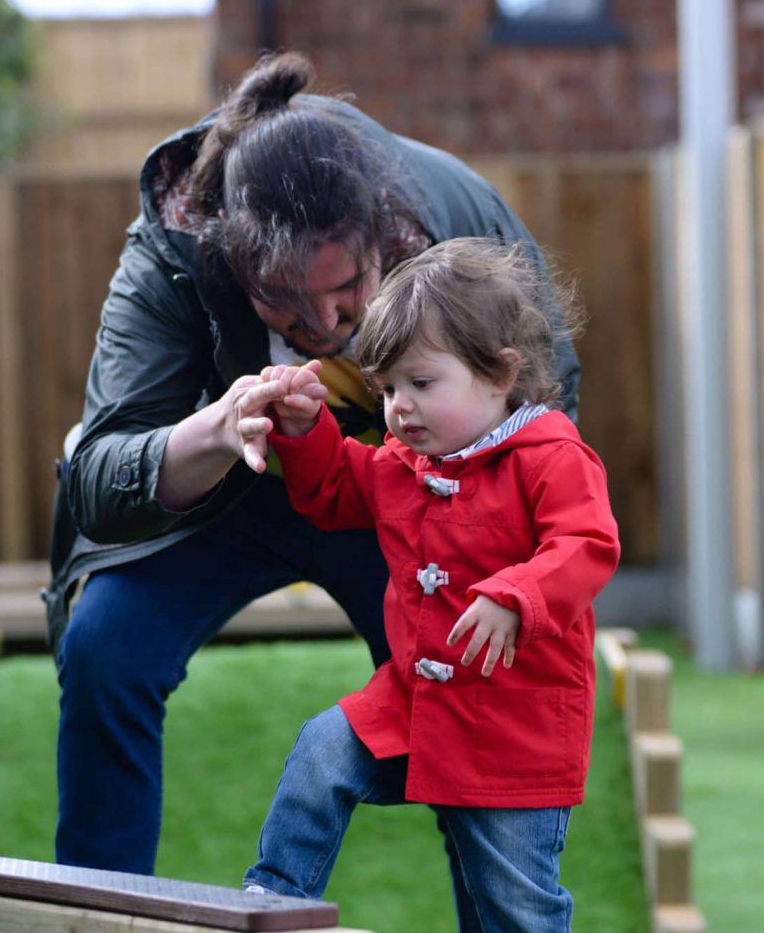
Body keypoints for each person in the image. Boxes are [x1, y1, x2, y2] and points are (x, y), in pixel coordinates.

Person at [45, 53, 579, 875]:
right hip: (232, 487)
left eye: (344, 292)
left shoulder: (455, 227)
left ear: (381, 239)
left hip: (405, 495)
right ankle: (97, 925)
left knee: (468, 685)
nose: (322, 325)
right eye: (283, 304)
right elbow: (97, 483)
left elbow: (549, 405)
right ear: (229, 259)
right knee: (104, 649)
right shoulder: (172, 250)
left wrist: (500, 564)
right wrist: (216, 429)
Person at [237, 238, 619, 933]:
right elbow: (335, 489)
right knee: (323, 749)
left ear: (499, 373)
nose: (398, 408)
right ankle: (271, 909)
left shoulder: (551, 456)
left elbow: (587, 543)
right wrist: (304, 427)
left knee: (511, 909)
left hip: (515, 735)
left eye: (420, 382)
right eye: (385, 389)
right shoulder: (411, 465)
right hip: (416, 707)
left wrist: (519, 597)